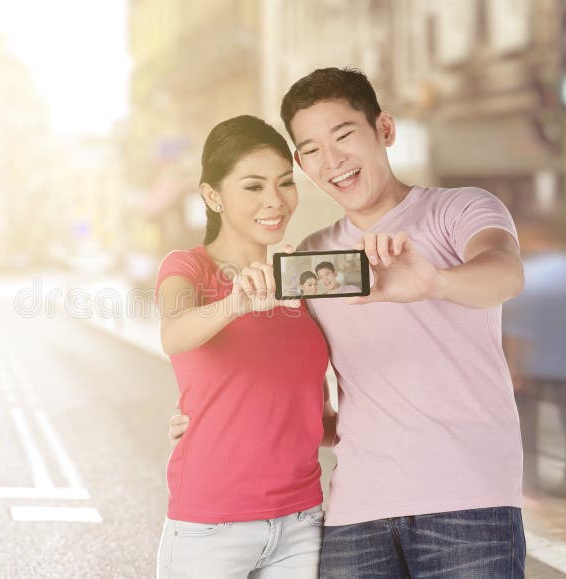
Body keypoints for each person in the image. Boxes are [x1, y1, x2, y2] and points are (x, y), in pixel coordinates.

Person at [170, 68, 526, 577]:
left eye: (344, 135)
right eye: (311, 149)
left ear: (384, 129)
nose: (332, 161)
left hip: (468, 502)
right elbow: (283, 371)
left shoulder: (460, 209)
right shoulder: (310, 260)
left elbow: (506, 272)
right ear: (301, 162)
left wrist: (435, 283)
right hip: (355, 514)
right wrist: (203, 414)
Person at [155, 115, 330, 578]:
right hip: (209, 527)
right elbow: (175, 332)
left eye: (285, 183)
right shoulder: (187, 267)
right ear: (213, 196)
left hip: (300, 523)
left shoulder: (305, 281)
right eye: (253, 186)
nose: (275, 201)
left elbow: (316, 416)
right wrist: (237, 302)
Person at [503, 218, 566, 495]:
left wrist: (513, 367)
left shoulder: (525, 275)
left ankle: (530, 485)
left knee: (526, 430)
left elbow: (517, 330)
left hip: (532, 368)